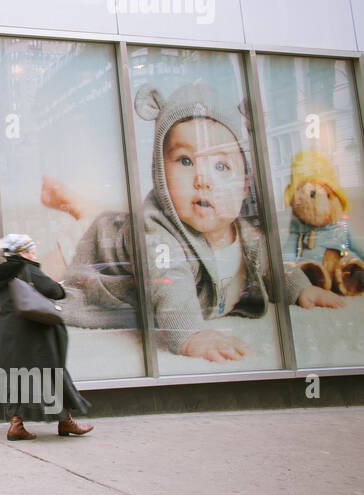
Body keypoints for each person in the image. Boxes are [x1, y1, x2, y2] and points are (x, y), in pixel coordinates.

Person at [45, 84, 337, 361]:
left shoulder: (247, 237)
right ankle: (80, 210)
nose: (202, 179)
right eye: (185, 161)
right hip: (99, 243)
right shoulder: (158, 233)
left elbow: (274, 266)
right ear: (160, 171)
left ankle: (82, 206)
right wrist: (189, 333)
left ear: (245, 186)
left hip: (125, 228)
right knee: (31, 276)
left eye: (221, 166)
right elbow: (168, 281)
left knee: (113, 218)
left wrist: (300, 288)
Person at [0, 233, 92, 441]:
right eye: (30, 249)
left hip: (9, 334)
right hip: (34, 334)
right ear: (23, 253)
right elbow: (54, 291)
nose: (34, 252)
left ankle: (16, 425)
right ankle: (66, 421)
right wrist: (59, 286)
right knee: (53, 374)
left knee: (16, 377)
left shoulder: (1, 275)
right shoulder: (28, 270)